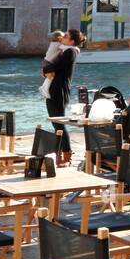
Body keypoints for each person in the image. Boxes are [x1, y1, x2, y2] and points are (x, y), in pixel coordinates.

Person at [44, 29, 84, 164]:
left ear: (72, 41)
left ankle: (67, 154)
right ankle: (59, 154)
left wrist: (45, 70)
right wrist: (46, 70)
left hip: (59, 92)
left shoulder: (71, 52)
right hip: (54, 91)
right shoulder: (67, 51)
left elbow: (57, 66)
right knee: (56, 124)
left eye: (66, 36)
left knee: (59, 125)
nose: (63, 37)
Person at [39, 31, 66, 99]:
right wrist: (75, 48)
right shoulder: (57, 44)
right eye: (64, 37)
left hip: (47, 61)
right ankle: (44, 88)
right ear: (59, 38)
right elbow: (66, 48)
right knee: (51, 76)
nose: (65, 39)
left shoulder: (53, 43)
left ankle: (44, 88)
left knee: (50, 77)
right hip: (49, 62)